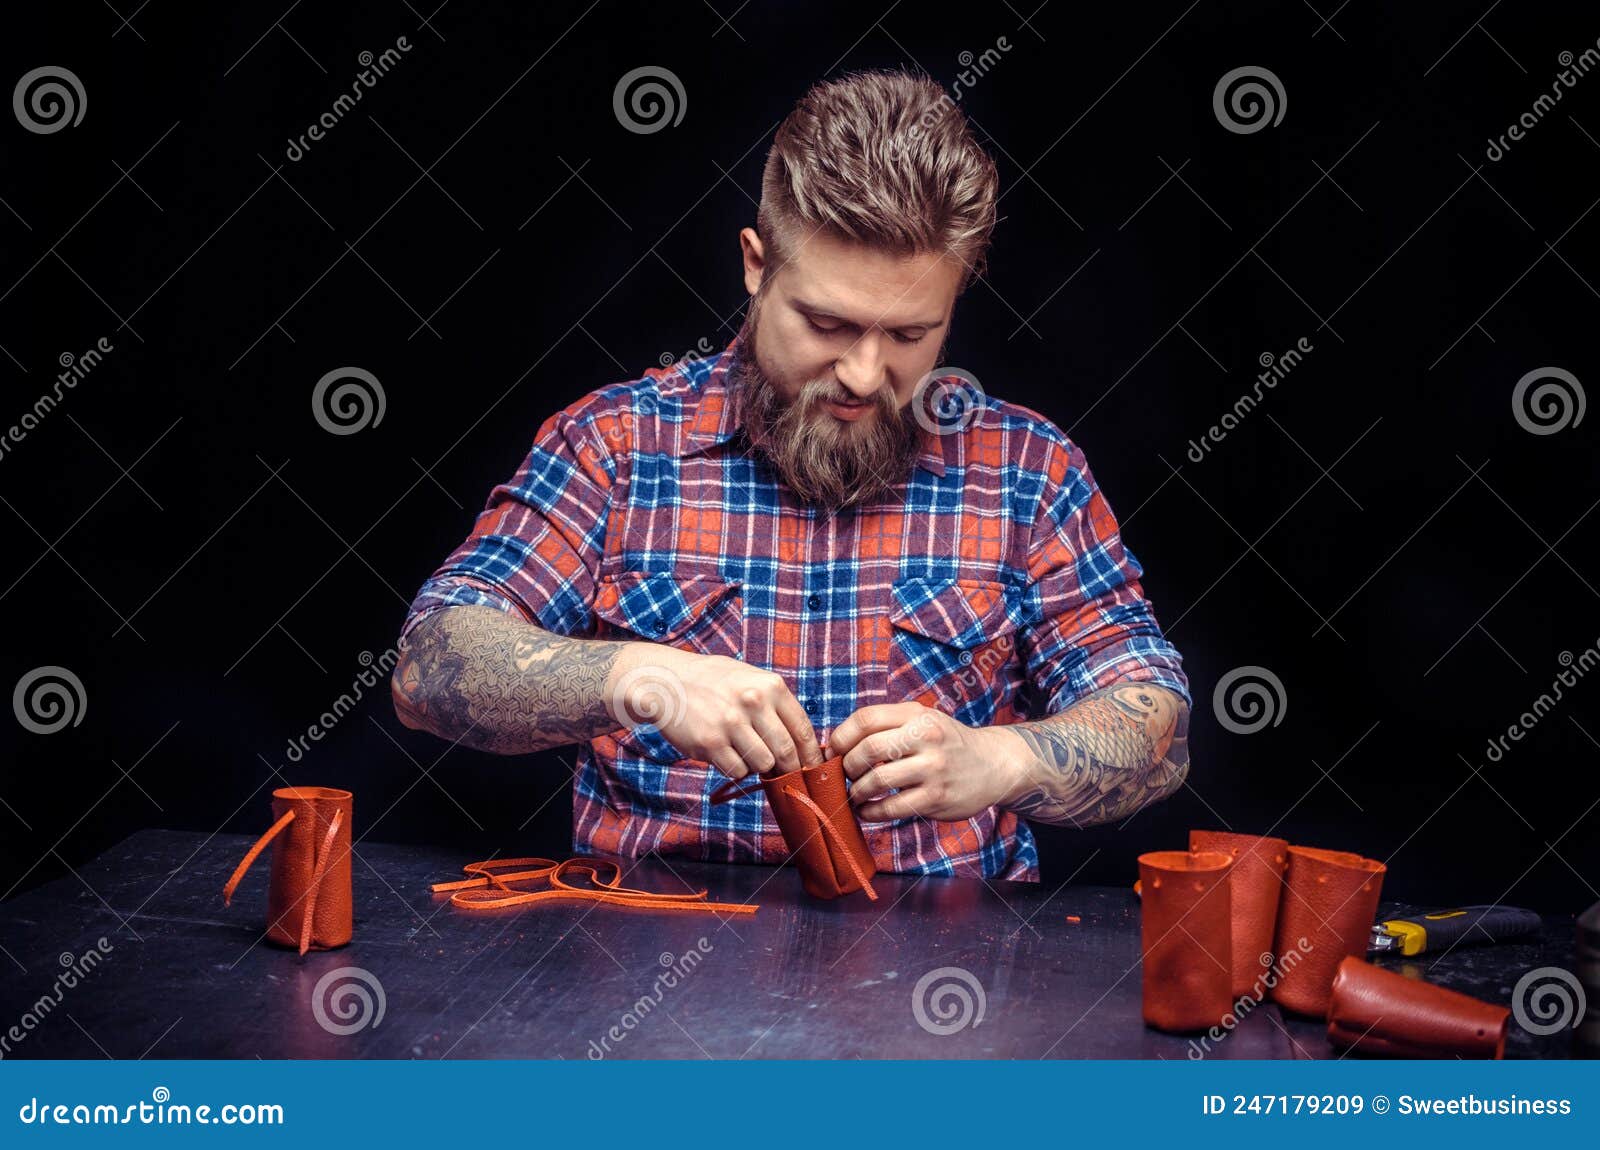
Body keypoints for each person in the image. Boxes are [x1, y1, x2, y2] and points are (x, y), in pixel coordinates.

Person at [390, 68, 1191, 882]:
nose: (865, 374)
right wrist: (639, 676)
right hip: (643, 939)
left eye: (910, 334)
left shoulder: (1028, 471)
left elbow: (1157, 725)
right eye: (827, 323)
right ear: (756, 264)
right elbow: (429, 664)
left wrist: (1002, 760)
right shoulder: (615, 445)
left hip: (949, 950)